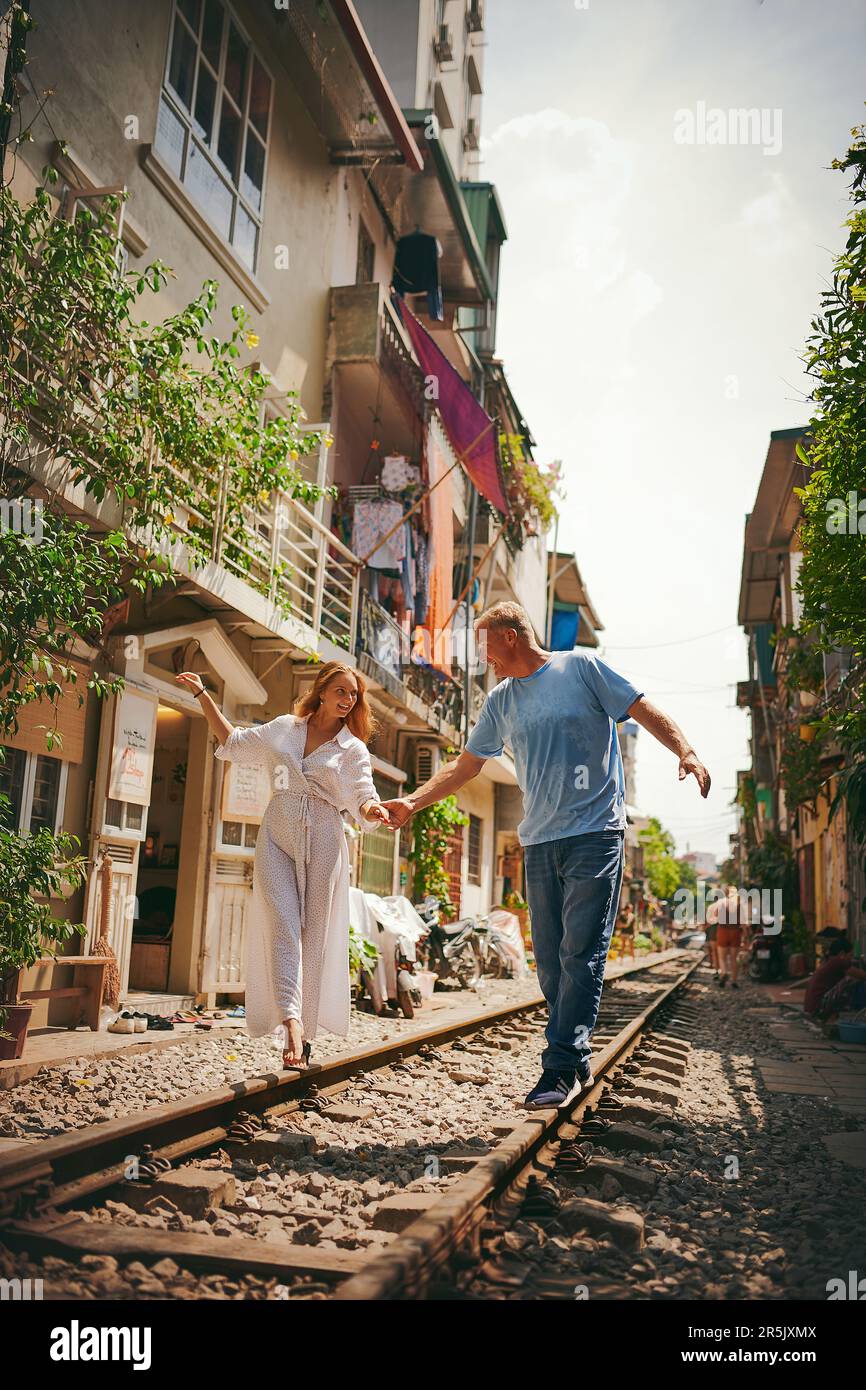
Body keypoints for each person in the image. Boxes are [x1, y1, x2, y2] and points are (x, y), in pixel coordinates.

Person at [381, 601, 710, 1110]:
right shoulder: (500, 702)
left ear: (511, 637)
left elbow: (640, 707)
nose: (483, 657)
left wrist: (684, 749)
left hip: (596, 834)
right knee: (551, 964)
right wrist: (413, 802)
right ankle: (574, 1053)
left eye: (486, 644)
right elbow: (467, 765)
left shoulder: (580, 667)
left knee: (581, 951)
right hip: (538, 840)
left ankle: (558, 1066)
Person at [176, 662, 391, 1068]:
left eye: (354, 695)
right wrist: (203, 695)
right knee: (282, 924)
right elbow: (234, 742)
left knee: (313, 936)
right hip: (276, 832)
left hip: (325, 836)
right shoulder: (285, 728)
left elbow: (362, 792)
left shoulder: (353, 748)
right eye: (341, 691)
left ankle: (305, 1032)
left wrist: (372, 809)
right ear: (323, 690)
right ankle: (290, 1022)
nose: (348, 700)